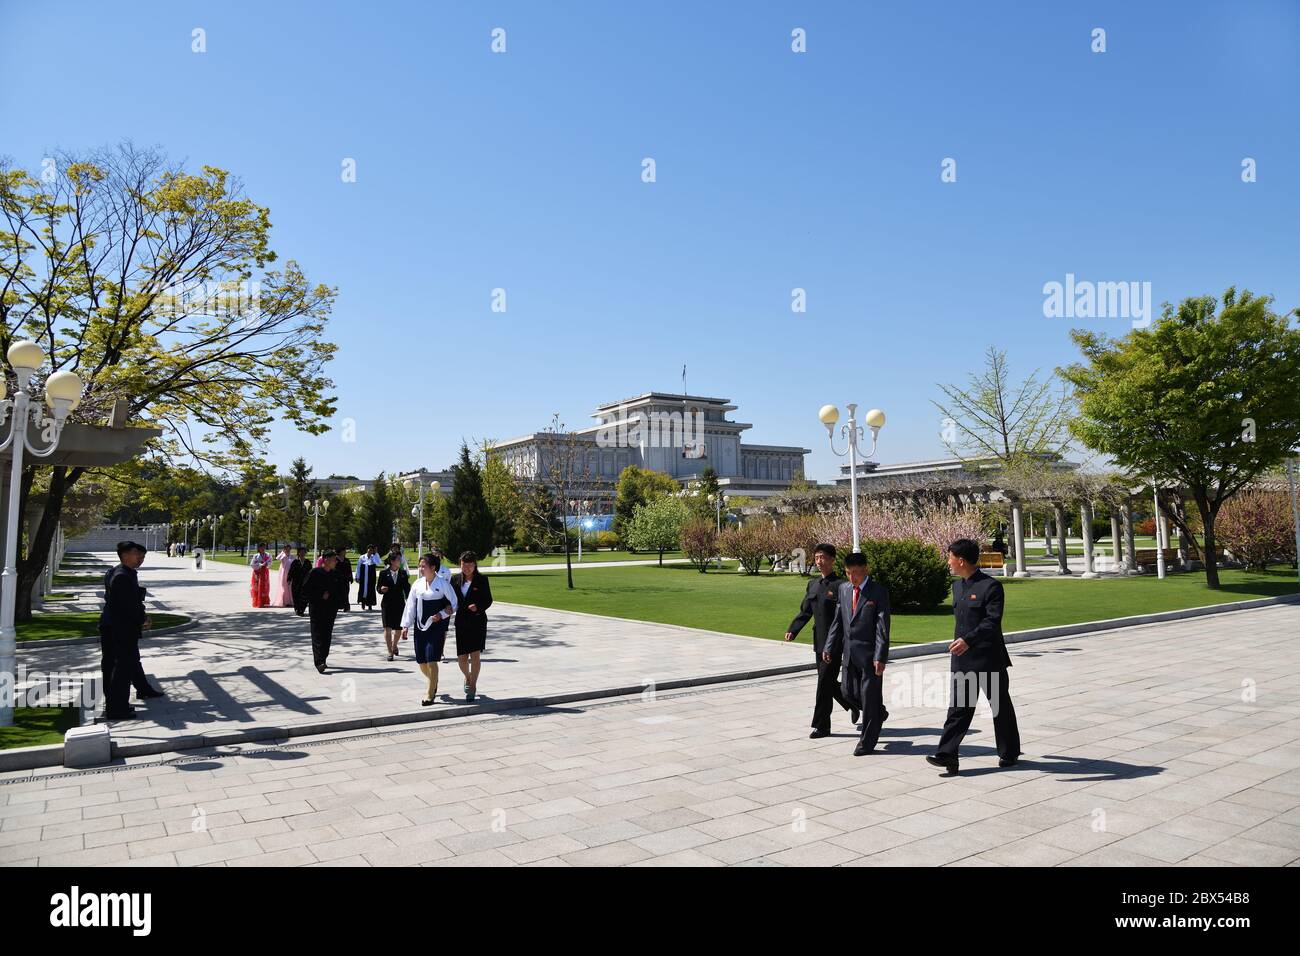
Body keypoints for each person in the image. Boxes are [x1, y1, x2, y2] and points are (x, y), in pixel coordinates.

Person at [927, 538, 1022, 775]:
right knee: (958, 708)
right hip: (962, 659)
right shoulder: (957, 587)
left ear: (960, 560)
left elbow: (992, 622)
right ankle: (947, 755)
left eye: (949, 557)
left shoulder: (991, 587)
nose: (947, 561)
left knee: (999, 707)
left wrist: (968, 640)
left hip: (989, 659)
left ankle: (1009, 752)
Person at [785, 543, 863, 737]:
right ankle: (858, 704)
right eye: (817, 557)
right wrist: (793, 630)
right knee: (827, 682)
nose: (820, 561)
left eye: (824, 558)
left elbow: (848, 616)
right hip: (819, 641)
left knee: (823, 684)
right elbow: (805, 611)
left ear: (833, 560)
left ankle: (822, 726)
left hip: (836, 643)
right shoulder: (813, 584)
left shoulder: (841, 586)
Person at [823, 551, 890, 756]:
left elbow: (882, 627)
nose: (852, 577)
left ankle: (867, 743)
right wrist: (829, 645)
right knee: (846, 692)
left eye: (856, 573)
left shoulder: (878, 592)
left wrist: (880, 656)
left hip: (870, 656)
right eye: (848, 573)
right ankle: (879, 712)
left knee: (869, 699)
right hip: (849, 653)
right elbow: (838, 621)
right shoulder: (843, 589)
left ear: (865, 570)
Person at [98, 541, 159, 720]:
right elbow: (127, 605)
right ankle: (117, 708)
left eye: (142, 556)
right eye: (137, 555)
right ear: (125, 555)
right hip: (120, 628)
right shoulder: (121, 576)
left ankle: (117, 703)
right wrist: (142, 619)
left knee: (118, 665)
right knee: (120, 668)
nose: (140, 559)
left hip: (114, 625)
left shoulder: (120, 572)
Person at [399, 552, 458, 706]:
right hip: (420, 626)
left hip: (437, 626)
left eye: (423, 566)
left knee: (432, 659)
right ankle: (434, 680)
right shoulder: (417, 584)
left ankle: (430, 694)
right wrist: (405, 625)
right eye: (420, 565)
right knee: (421, 662)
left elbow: (454, 603)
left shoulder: (443, 584)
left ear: (433, 567)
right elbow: (410, 606)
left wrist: (442, 614)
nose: (420, 568)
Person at [451, 550, 493, 701]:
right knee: (462, 658)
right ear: (460, 564)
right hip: (461, 622)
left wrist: (478, 606)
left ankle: (473, 686)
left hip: (477, 621)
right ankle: (467, 677)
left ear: (475, 565)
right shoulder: (454, 580)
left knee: (475, 655)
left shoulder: (482, 580)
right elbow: (449, 599)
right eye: (464, 564)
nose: (467, 567)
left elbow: (488, 600)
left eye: (470, 564)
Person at [304, 550, 345, 672]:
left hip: (331, 609)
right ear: (326, 560)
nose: (335, 562)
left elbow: (340, 590)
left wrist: (341, 603)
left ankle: (323, 658)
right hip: (317, 608)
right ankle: (319, 662)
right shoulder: (314, 573)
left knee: (327, 634)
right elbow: (305, 590)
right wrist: (320, 595)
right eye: (333, 560)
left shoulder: (336, 574)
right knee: (317, 634)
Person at [378, 552, 411, 660]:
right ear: (392, 562)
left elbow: (407, 588)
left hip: (400, 604)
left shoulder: (403, 573)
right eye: (398, 560)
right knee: (387, 628)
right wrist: (381, 590)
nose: (400, 562)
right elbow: (378, 588)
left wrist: (410, 599)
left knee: (398, 630)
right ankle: (389, 652)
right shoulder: (383, 573)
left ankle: (394, 645)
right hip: (387, 605)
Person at [355, 544, 381, 611]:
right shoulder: (362, 557)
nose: (370, 551)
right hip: (364, 576)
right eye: (369, 549)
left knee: (371, 589)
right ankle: (363, 602)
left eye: (371, 550)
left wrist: (375, 554)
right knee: (363, 589)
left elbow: (378, 563)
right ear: (367, 550)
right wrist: (357, 576)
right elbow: (358, 567)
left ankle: (370, 604)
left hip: (371, 576)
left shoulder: (374, 556)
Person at [288, 546, 311, 616]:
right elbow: (291, 571)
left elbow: (310, 572)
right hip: (296, 582)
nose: (302, 553)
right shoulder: (295, 562)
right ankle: (297, 609)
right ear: (298, 553)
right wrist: (289, 579)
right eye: (301, 552)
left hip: (305, 582)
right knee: (296, 596)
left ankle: (302, 609)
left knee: (304, 596)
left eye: (304, 552)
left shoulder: (308, 562)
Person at [334, 546, 352, 612]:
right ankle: (338, 606)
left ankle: (346, 606)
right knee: (338, 593)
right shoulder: (335, 559)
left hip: (345, 579)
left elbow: (349, 569)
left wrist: (351, 578)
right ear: (340, 551)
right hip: (337, 579)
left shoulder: (347, 560)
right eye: (344, 550)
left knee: (346, 592)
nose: (345, 552)